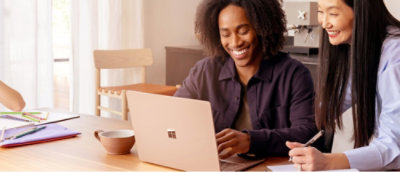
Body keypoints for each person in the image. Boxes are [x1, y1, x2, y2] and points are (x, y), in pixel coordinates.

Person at [174, 0, 319, 159]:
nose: (235, 42)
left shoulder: (294, 74)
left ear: (262, 28)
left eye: (243, 31)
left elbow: (307, 134)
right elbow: (174, 117)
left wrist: (252, 141)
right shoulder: (204, 71)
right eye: (225, 34)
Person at [286, 0, 400, 170]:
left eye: (333, 13)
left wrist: (327, 162)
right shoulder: (354, 45)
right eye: (320, 11)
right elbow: (334, 107)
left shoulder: (395, 56)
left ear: (362, 11)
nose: (324, 23)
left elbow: (394, 148)